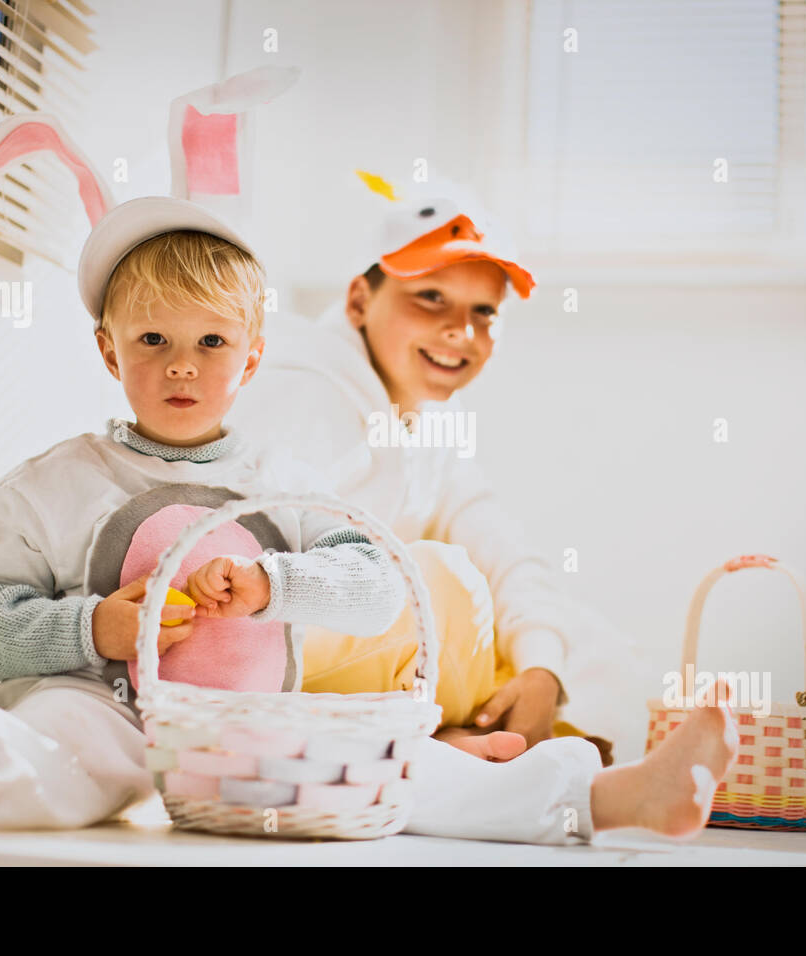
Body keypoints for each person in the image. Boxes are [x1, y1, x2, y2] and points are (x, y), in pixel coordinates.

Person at [0, 199, 739, 844]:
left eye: (211, 344)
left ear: (251, 361)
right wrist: (92, 627)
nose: (182, 368)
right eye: (151, 340)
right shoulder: (53, 482)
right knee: (57, 749)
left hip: (261, 718)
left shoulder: (282, 480)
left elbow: (376, 587)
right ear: (105, 348)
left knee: (396, 771)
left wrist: (279, 584)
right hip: (110, 703)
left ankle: (609, 796)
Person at [226, 178, 620, 759]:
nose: (460, 331)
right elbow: (249, 582)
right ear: (360, 300)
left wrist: (542, 671)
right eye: (431, 298)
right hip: (259, 653)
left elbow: (502, 547)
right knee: (442, 579)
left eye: (484, 311)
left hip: (356, 654)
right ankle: (460, 742)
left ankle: (477, 733)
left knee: (545, 631)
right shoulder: (308, 395)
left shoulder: (431, 417)